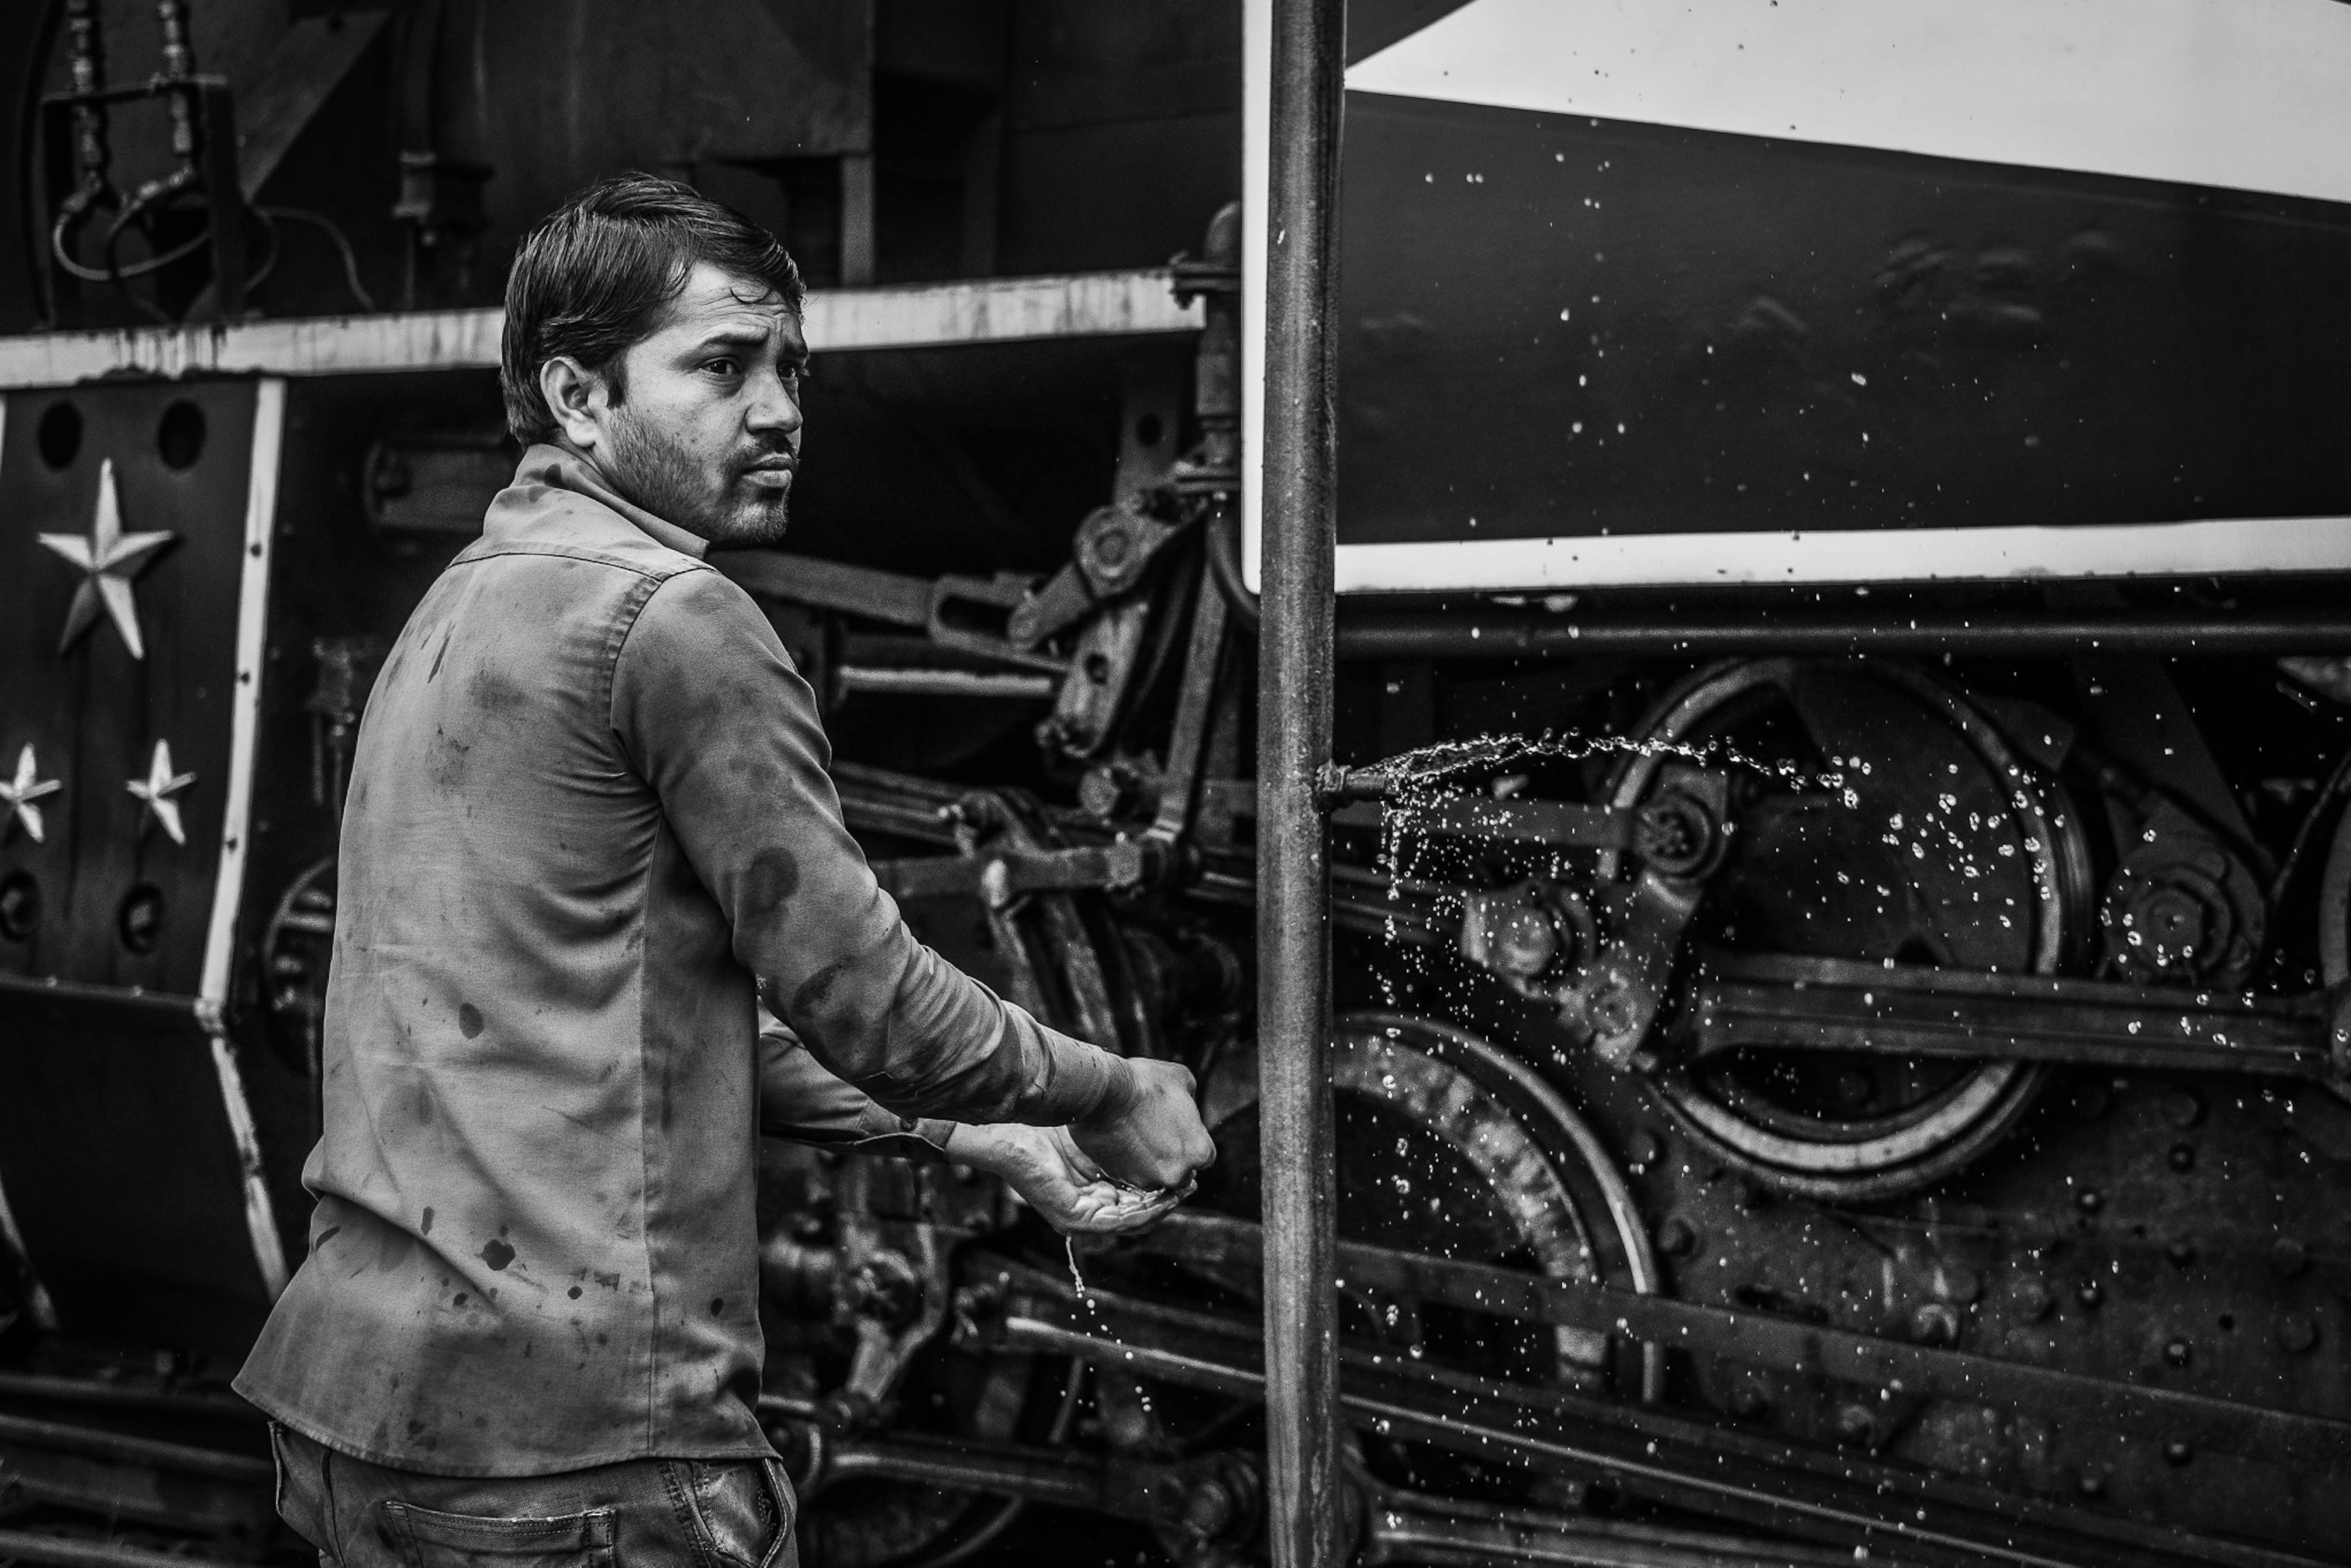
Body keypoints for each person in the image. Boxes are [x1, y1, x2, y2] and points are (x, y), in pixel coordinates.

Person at [235, 172, 1217, 1568]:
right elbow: (865, 999)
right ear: (577, 395)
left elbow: (619, 1029)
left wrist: (978, 1132)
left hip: (361, 1426)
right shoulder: (677, 621)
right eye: (721, 365)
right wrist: (1107, 1085)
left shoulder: (455, 609)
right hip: (577, 1456)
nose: (778, 410)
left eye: (789, 368)